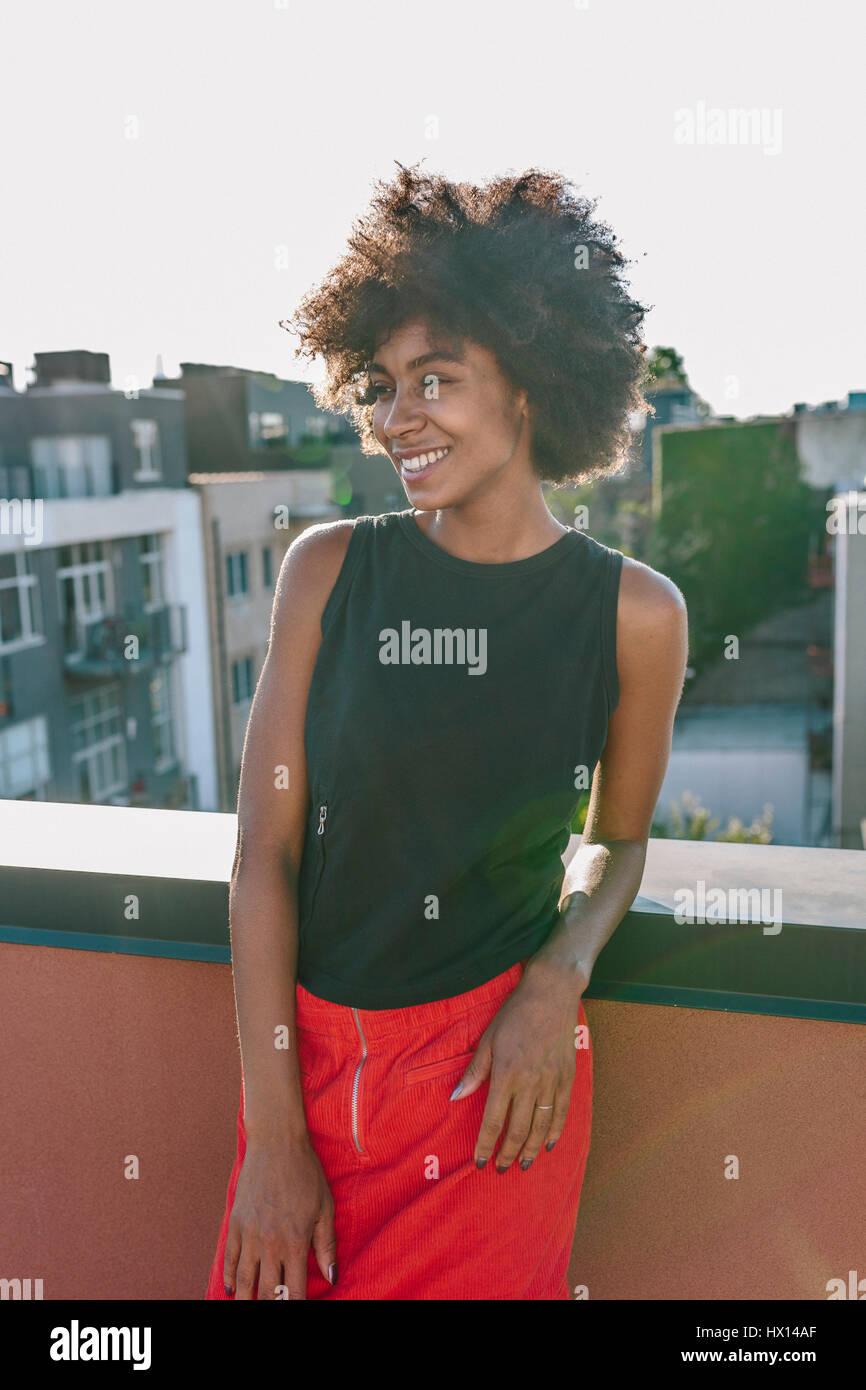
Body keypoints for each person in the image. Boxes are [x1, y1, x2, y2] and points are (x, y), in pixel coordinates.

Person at [205, 163, 688, 1301]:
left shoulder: (633, 615)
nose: (394, 417)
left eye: (435, 379)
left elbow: (615, 844)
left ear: (526, 386)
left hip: (491, 1100)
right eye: (379, 384)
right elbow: (261, 857)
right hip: (309, 1080)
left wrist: (555, 977)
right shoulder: (323, 573)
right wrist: (273, 1139)